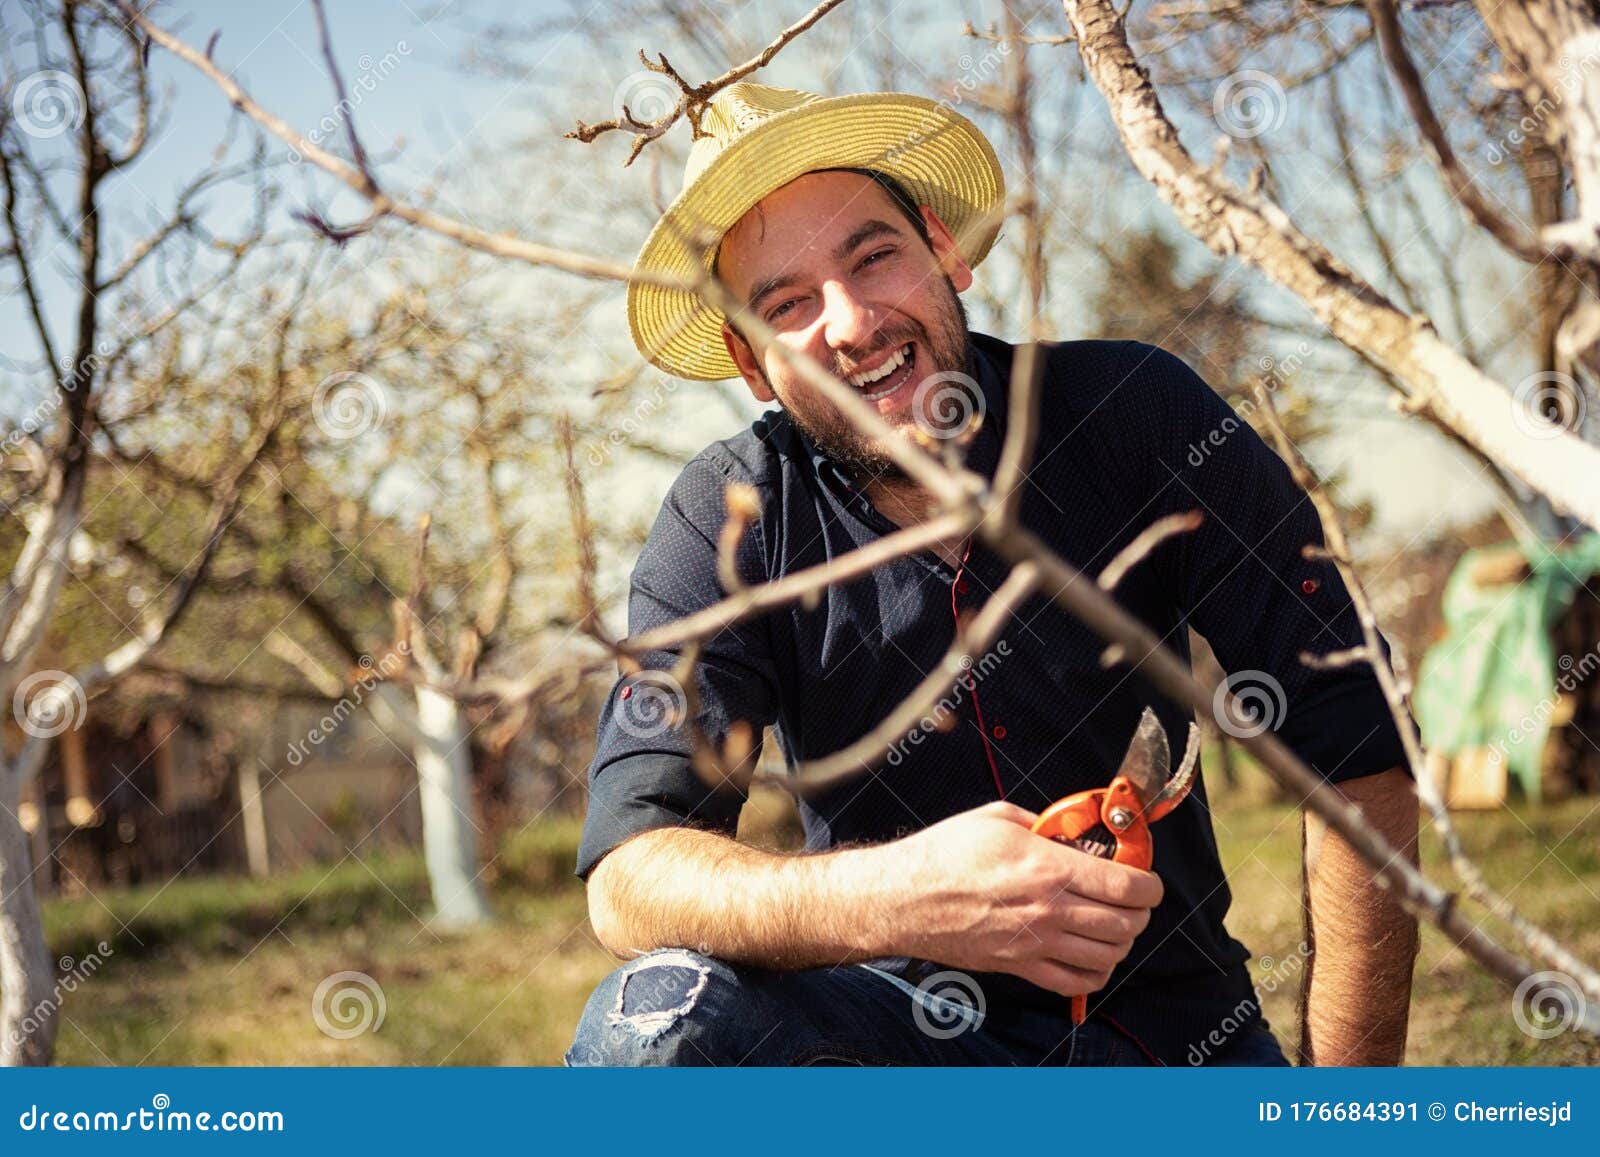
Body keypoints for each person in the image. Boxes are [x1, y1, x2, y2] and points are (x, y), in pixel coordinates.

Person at [565, 82, 1418, 1067]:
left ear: (944, 248)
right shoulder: (725, 519)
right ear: (750, 365)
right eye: (786, 304)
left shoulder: (1142, 414)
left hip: (1176, 1040)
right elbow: (629, 873)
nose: (848, 324)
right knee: (654, 1013)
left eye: (872, 255)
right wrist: (903, 896)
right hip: (890, 1044)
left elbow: (1353, 734)